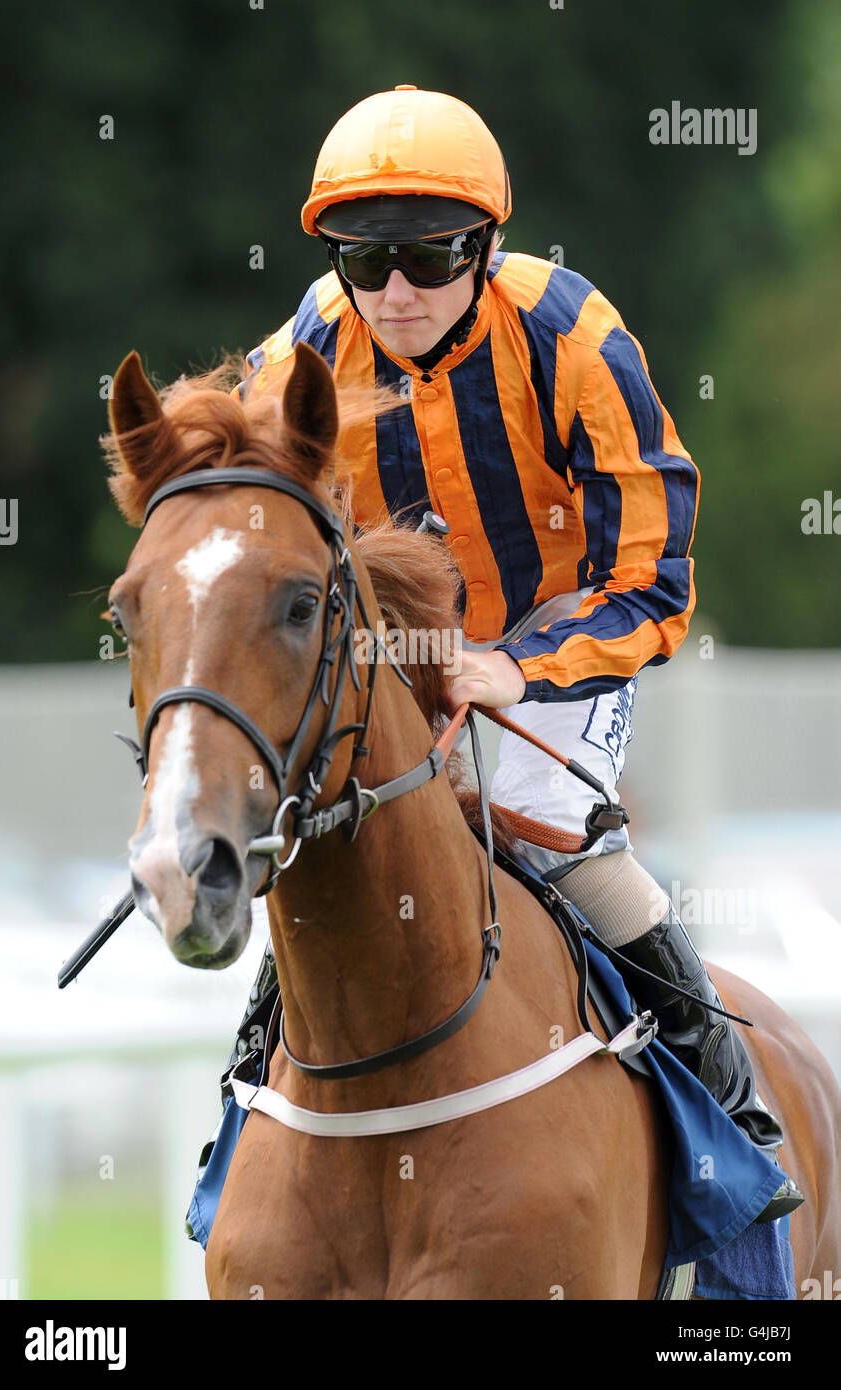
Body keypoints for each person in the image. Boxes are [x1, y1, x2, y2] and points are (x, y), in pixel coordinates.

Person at [233, 85, 802, 1222]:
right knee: (324, 853)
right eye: (364, 262)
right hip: (392, 661)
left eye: (431, 257)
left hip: (562, 650)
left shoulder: (571, 335)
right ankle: (247, 1101)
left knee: (551, 833)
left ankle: (733, 1124)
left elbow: (653, 571)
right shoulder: (295, 359)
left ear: (485, 247)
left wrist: (517, 668)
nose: (396, 292)